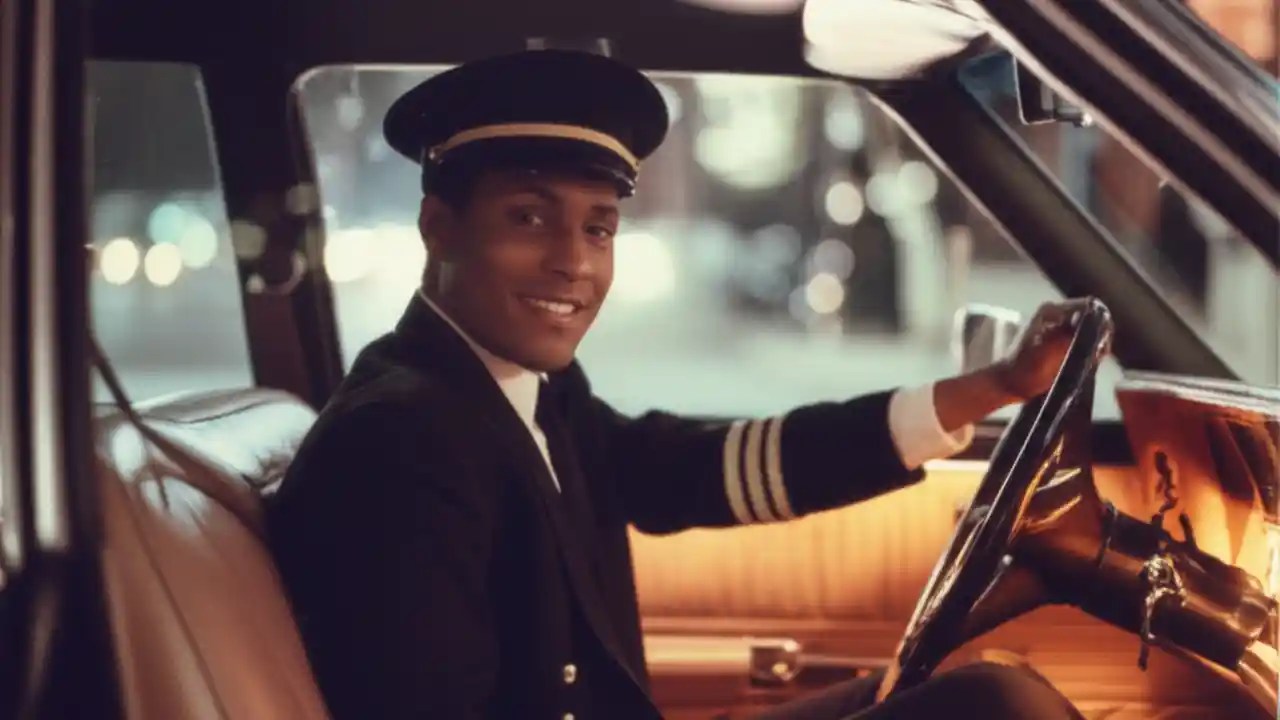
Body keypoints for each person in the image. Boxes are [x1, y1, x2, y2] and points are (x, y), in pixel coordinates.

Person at [268, 49, 1088, 720]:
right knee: (1001, 707)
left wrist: (993, 387)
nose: (573, 261)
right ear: (437, 225)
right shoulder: (403, 442)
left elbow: (696, 469)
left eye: (598, 226)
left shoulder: (518, 388)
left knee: (973, 692)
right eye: (528, 217)